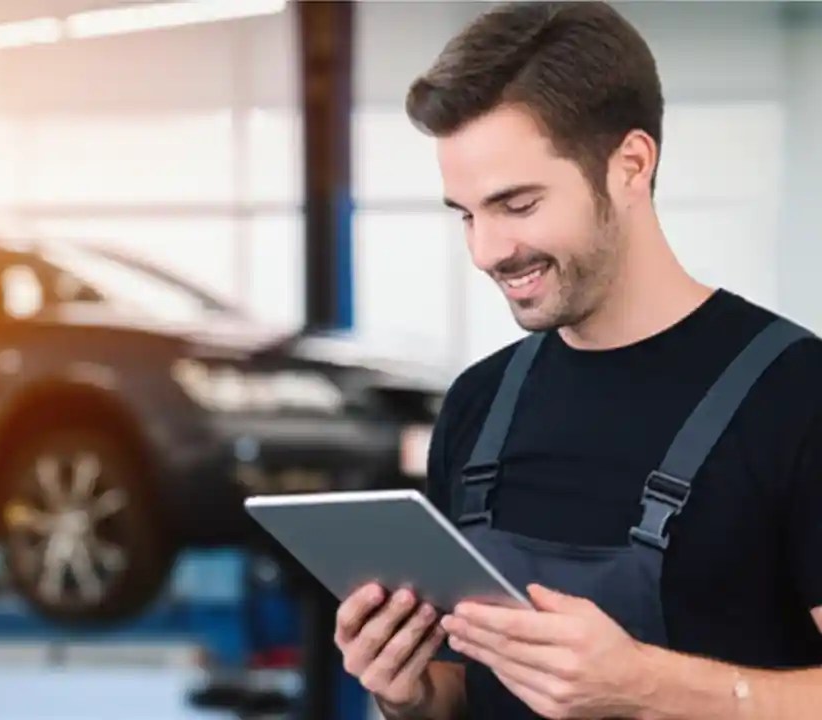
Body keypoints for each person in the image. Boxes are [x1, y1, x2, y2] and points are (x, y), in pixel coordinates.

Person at [332, 2, 822, 719]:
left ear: (631, 164)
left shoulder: (798, 397)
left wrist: (645, 686)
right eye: (467, 214)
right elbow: (468, 696)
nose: (487, 251)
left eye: (518, 204)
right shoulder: (478, 404)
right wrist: (407, 695)